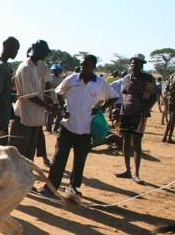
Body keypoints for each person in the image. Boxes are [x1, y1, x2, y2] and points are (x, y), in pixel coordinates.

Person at [40, 55, 117, 198]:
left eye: (86, 65)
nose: (83, 67)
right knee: (58, 159)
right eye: (82, 65)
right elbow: (59, 91)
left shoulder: (100, 83)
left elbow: (114, 96)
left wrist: (100, 108)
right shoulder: (72, 79)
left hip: (86, 129)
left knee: (80, 160)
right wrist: (63, 106)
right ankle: (50, 188)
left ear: (93, 67)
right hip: (67, 126)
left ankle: (73, 186)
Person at [11, 40, 55, 161]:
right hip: (24, 115)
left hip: (34, 116)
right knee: (20, 153)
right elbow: (29, 95)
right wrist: (47, 106)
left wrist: (45, 98)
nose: (46, 56)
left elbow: (35, 91)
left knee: (30, 152)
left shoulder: (34, 66)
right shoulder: (26, 68)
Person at [117, 54, 157, 183]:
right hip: (125, 112)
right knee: (126, 140)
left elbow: (152, 97)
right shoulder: (127, 78)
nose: (134, 65)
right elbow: (125, 95)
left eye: (137, 63)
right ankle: (127, 170)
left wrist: (141, 113)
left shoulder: (148, 78)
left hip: (139, 113)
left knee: (137, 142)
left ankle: (136, 173)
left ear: (142, 65)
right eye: (133, 63)